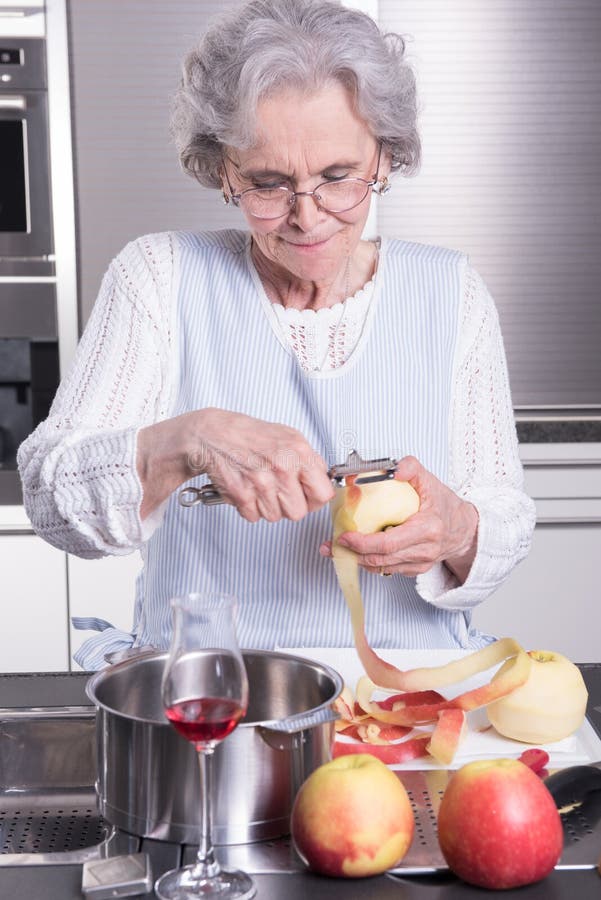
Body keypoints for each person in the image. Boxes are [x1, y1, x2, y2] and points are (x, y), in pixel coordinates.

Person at [18, 0, 536, 670]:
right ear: (223, 170)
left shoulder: (452, 290)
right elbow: (50, 498)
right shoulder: (157, 275)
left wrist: (459, 527)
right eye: (268, 184)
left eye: (338, 177)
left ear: (383, 157)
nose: (306, 216)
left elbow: (505, 517)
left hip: (408, 693)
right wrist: (186, 439)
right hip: (208, 692)